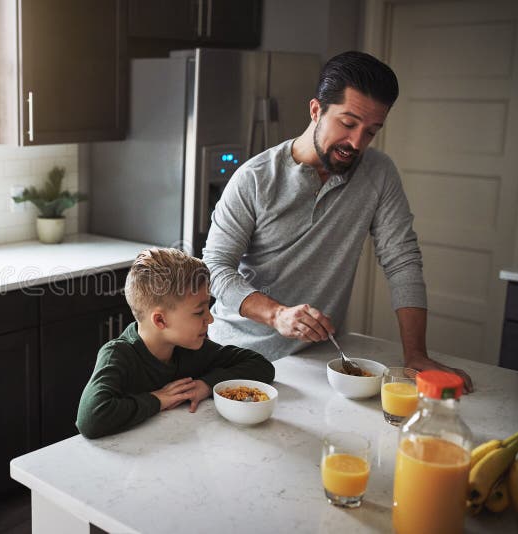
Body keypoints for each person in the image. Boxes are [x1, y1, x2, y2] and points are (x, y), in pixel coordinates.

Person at [202, 50, 473, 391]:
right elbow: (214, 268)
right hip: (234, 359)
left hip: (320, 362)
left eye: (371, 131)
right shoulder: (254, 178)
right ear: (316, 110)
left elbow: (402, 260)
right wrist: (277, 315)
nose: (357, 142)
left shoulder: (379, 174)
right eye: (348, 123)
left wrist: (415, 354)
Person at [76, 248, 275, 439]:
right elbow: (90, 420)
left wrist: (206, 384)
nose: (210, 319)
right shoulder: (118, 355)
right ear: (160, 320)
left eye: (208, 307)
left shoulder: (191, 347)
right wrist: (158, 399)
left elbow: (261, 366)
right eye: (199, 312)